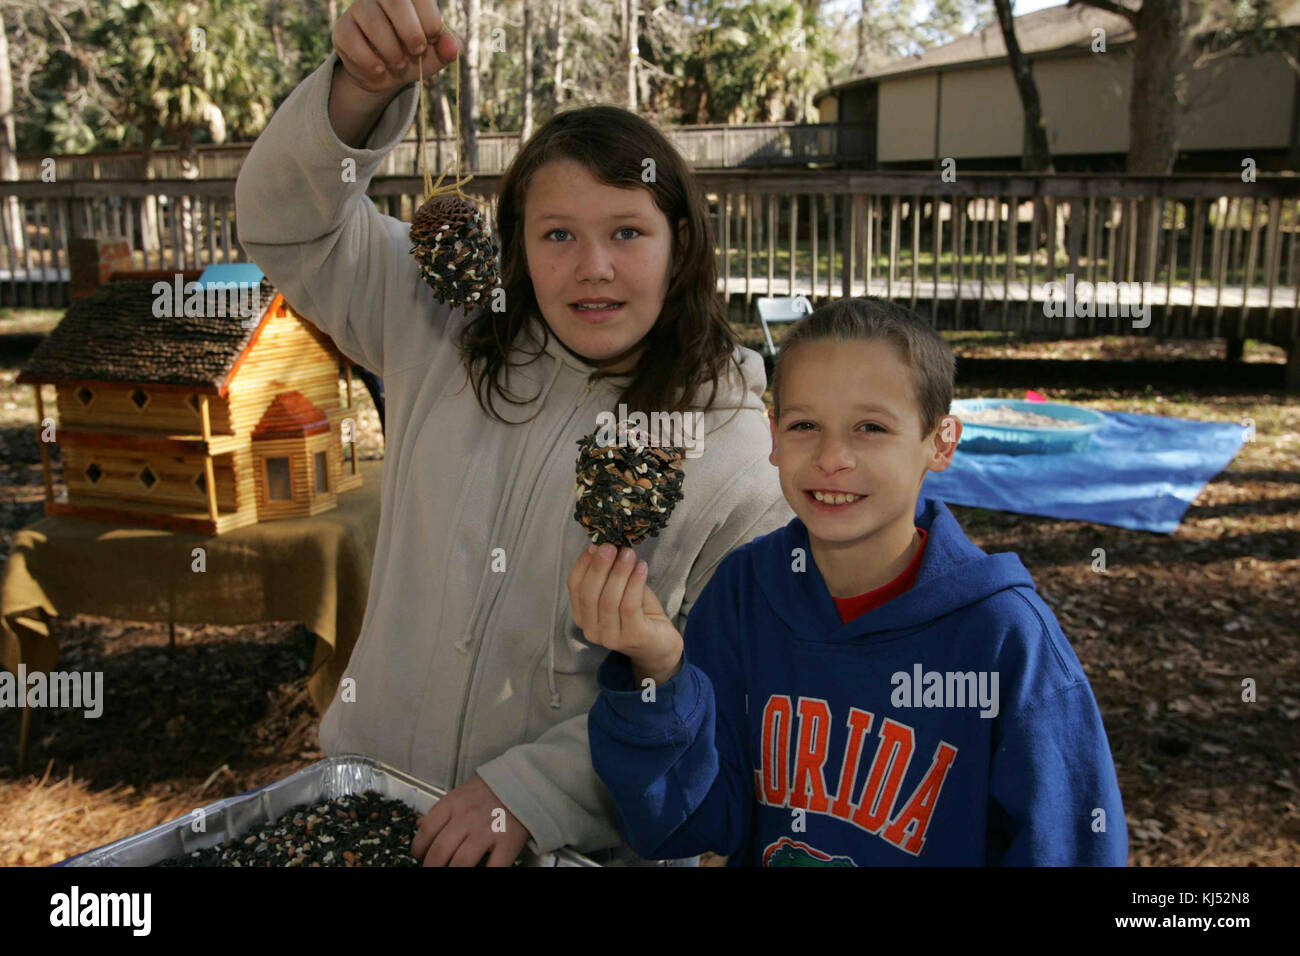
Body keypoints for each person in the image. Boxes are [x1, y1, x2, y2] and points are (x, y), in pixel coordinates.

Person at [233, 0, 793, 866]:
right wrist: (357, 94)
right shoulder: (441, 321)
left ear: (679, 247)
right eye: (558, 233)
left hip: (565, 848)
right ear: (518, 247)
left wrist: (537, 790)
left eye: (627, 233)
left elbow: (723, 685)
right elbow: (286, 223)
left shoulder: (735, 449)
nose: (593, 266)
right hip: (370, 800)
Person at [576, 297, 1129, 866]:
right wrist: (658, 673)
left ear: (940, 442)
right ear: (773, 434)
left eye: (871, 427)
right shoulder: (744, 594)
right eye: (805, 425)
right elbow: (690, 824)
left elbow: (1072, 847)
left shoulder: (1003, 635)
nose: (832, 457)